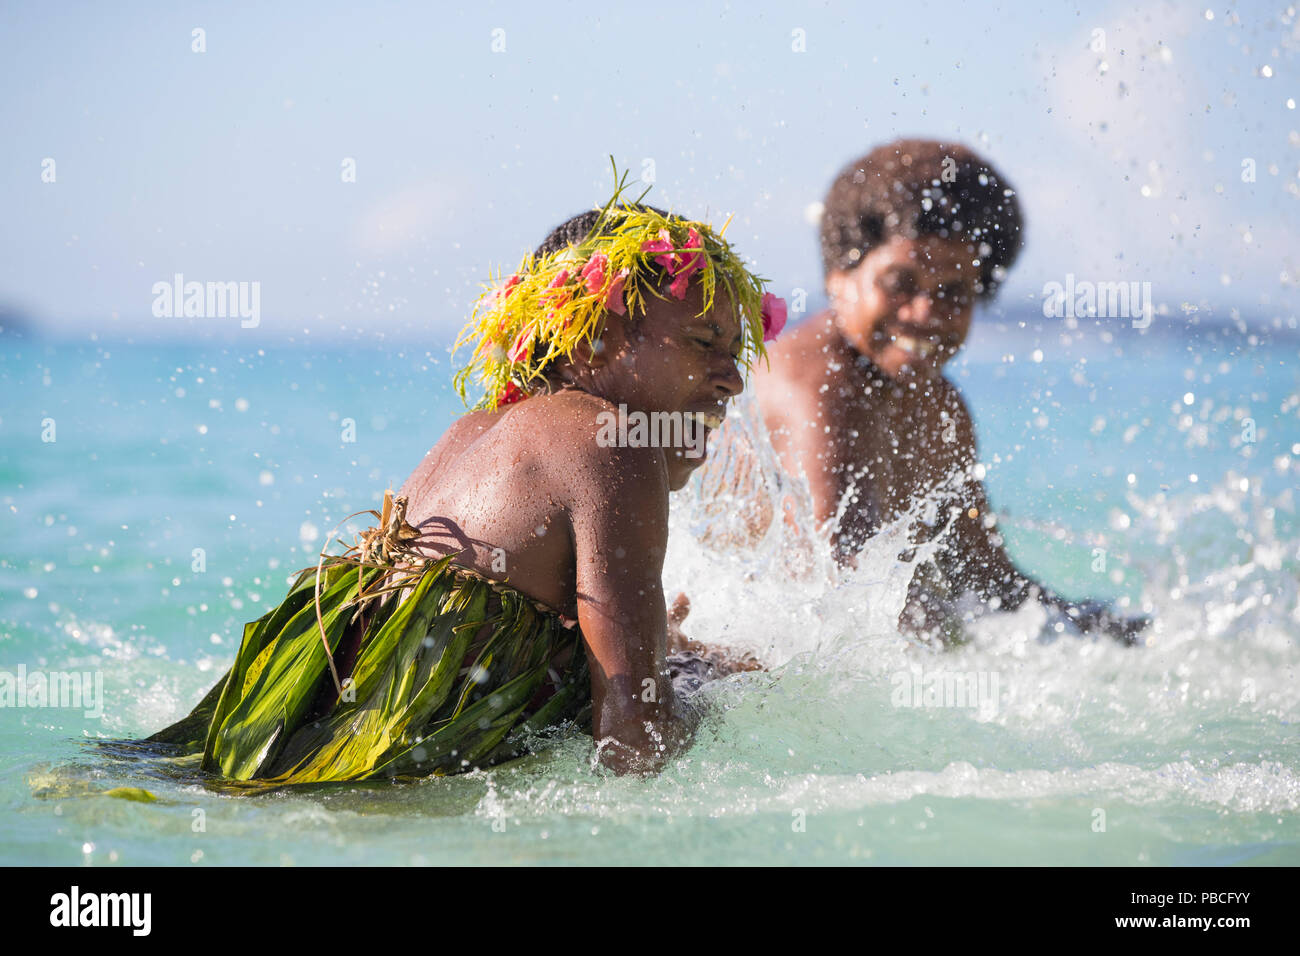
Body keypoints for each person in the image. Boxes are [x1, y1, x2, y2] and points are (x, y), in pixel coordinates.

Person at [140, 169, 786, 786]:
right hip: (368, 795)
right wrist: (713, 699)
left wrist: (670, 658)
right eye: (704, 342)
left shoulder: (474, 432)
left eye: (735, 351)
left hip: (270, 769)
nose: (732, 377)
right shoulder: (611, 440)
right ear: (586, 338)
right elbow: (634, 741)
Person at [754, 139, 1146, 645]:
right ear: (839, 277)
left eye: (953, 293)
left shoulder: (938, 404)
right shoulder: (816, 386)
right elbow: (844, 594)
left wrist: (1099, 627)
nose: (925, 312)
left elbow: (987, 581)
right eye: (900, 282)